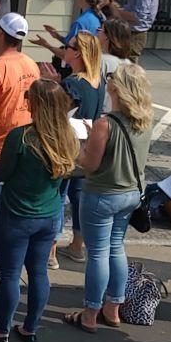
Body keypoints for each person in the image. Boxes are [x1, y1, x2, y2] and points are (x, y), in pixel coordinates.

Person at [0, 79, 79, 342]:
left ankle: (2, 330)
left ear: (36, 104)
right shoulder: (68, 137)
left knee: (10, 275)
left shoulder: (21, 137)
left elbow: (2, 175)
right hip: (48, 216)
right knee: (39, 274)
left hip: (15, 215)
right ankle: (30, 326)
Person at [64, 62, 154, 333]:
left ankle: (90, 312)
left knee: (98, 254)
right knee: (116, 248)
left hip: (103, 194)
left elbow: (88, 164)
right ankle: (113, 308)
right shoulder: (145, 120)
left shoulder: (106, 123)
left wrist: (79, 145)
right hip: (130, 194)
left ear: (116, 88)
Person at [0, 12, 39, 274]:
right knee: (15, 204)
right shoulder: (31, 65)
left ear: (0, 34)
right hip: (27, 144)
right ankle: (11, 255)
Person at [57, 30, 108, 263]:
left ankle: (50, 249)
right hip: (89, 144)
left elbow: (60, 113)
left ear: (78, 53)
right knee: (78, 195)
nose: (64, 50)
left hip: (68, 144)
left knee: (58, 194)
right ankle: (78, 244)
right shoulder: (99, 79)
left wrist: (54, 87)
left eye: (67, 47)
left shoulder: (72, 83)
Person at [37, 0, 109, 57]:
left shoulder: (80, 23)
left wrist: (46, 45)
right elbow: (74, 45)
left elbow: (69, 54)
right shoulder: (98, 18)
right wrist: (57, 36)